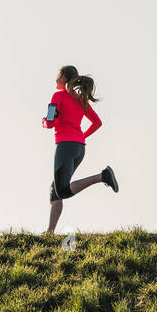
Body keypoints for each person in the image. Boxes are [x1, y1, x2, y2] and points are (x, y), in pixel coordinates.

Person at [42, 65, 118, 234]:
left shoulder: (58, 96)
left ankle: (102, 176)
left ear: (63, 77)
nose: (55, 79)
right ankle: (50, 231)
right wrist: (81, 136)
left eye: (57, 75)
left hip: (66, 146)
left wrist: (44, 122)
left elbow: (50, 121)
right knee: (56, 191)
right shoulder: (80, 100)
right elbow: (97, 122)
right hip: (79, 148)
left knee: (62, 190)